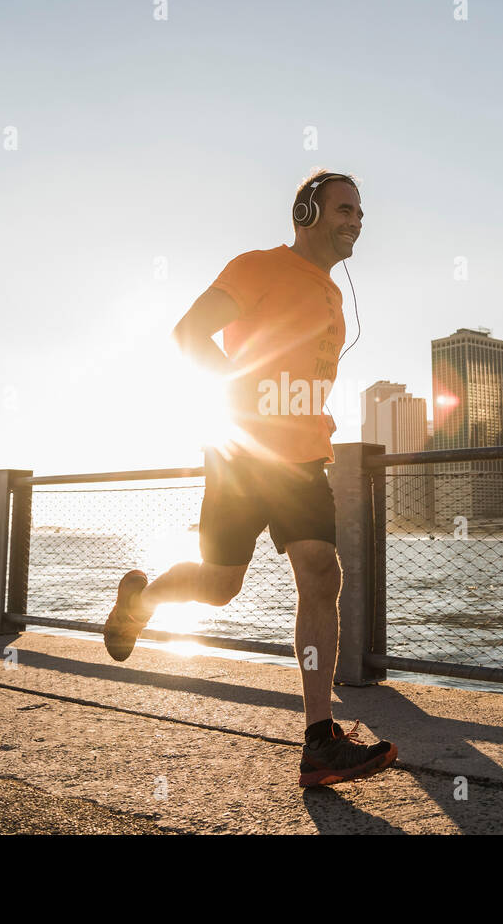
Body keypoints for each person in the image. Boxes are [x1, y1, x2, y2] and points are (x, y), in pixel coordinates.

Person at [101, 169, 398, 787]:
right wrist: (246, 396)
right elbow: (189, 333)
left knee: (321, 571)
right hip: (241, 452)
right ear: (306, 211)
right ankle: (144, 599)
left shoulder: (333, 295)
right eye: (345, 208)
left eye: (361, 211)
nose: (357, 220)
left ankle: (319, 742)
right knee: (218, 586)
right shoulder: (257, 266)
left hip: (302, 461)